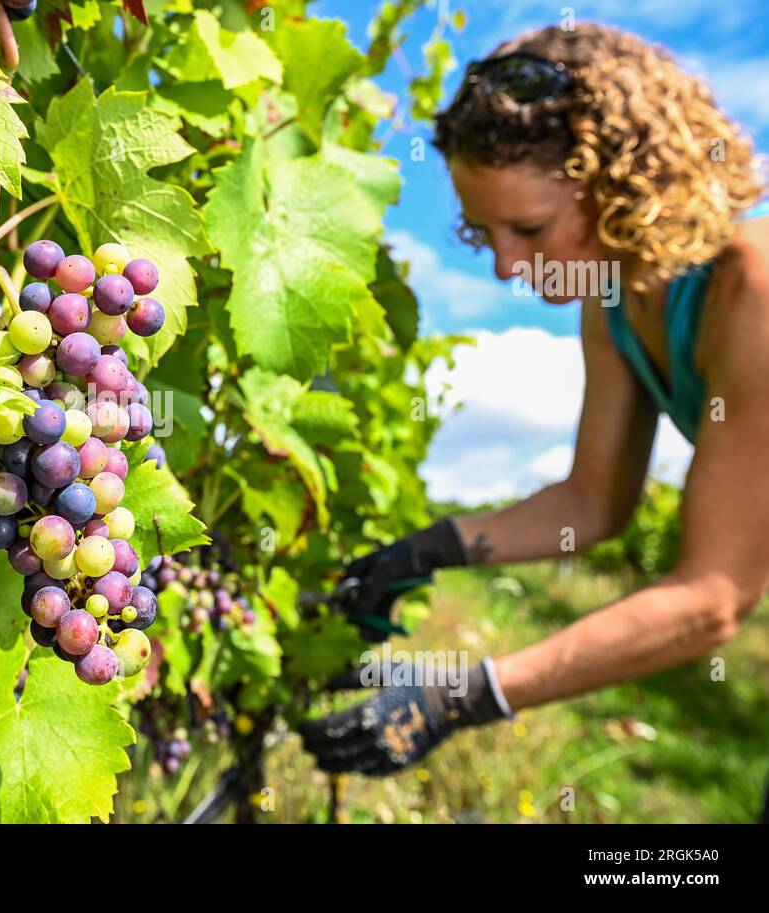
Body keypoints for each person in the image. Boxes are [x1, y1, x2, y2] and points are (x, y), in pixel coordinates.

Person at [300, 23, 769, 821]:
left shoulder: (752, 291)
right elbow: (592, 502)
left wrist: (464, 695)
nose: (506, 267)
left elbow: (714, 594)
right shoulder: (615, 298)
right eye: (485, 233)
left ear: (625, 187)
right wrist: (427, 549)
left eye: (530, 229)